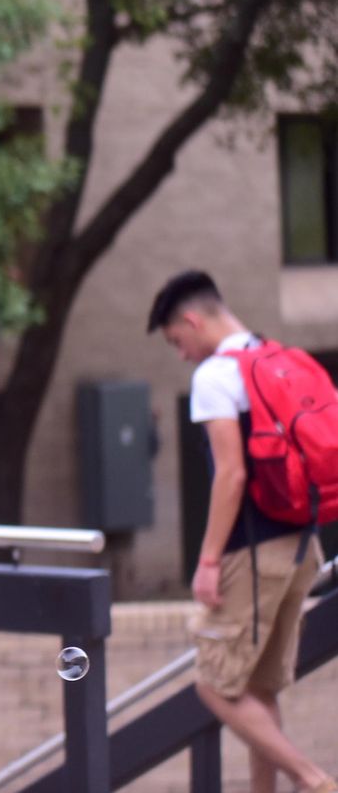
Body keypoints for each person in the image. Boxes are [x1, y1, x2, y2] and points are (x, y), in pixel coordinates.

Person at [148, 270, 335, 793]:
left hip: (252, 555)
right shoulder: (280, 358)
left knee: (214, 687)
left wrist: (208, 561)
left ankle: (313, 779)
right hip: (303, 545)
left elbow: (230, 474)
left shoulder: (216, 375)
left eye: (177, 341)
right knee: (259, 688)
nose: (182, 354)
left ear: (192, 320)